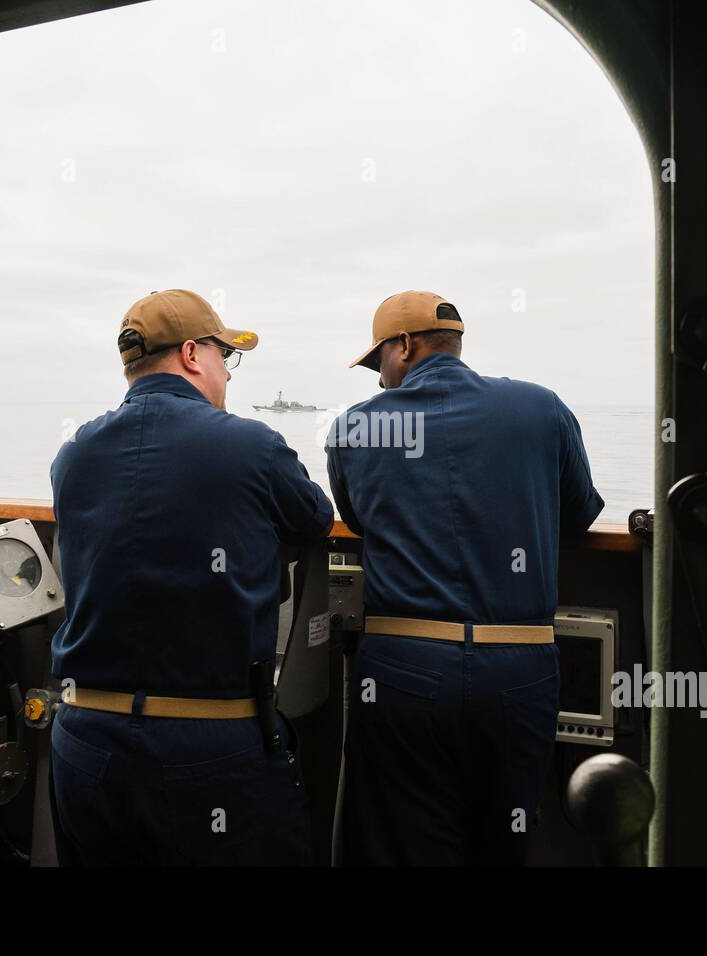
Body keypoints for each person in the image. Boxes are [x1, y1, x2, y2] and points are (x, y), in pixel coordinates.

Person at [50, 288, 334, 865]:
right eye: (225, 356)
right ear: (191, 355)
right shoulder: (251, 444)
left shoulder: (72, 455)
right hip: (208, 745)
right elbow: (315, 518)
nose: (228, 374)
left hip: (83, 742)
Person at [327, 290, 604, 865]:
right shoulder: (542, 408)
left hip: (403, 669)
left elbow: (358, 520)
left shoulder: (356, 428)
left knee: (401, 846)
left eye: (379, 364)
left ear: (402, 346)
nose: (379, 382)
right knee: (503, 843)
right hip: (520, 668)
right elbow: (577, 515)